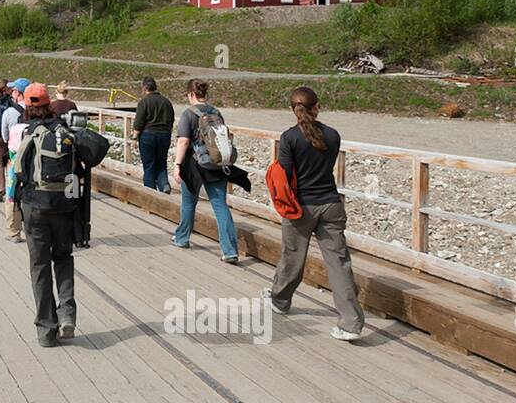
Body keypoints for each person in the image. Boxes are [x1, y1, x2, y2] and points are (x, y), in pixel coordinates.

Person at [263, 87, 365, 342]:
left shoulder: (289, 138)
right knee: (339, 263)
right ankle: (351, 323)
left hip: (301, 207)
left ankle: (280, 299)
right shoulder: (333, 135)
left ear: (292, 110)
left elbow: (284, 173)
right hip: (331, 204)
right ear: (317, 107)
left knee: (293, 256)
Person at [13, 83, 78, 347]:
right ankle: (67, 314)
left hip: (35, 207)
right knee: (63, 258)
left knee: (40, 267)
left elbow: (18, 171)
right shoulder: (64, 130)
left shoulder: (27, 132)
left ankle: (46, 330)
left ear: (28, 106)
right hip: (64, 206)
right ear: (49, 103)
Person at [172, 79, 249, 263]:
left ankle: (182, 238)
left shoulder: (188, 114)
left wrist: (176, 165)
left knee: (189, 203)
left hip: (194, 166)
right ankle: (230, 251)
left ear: (191, 94)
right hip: (217, 164)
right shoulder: (216, 112)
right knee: (220, 206)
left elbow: (183, 141)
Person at [133, 76, 175, 193]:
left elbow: (139, 122)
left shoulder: (144, 102)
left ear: (145, 88)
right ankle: (164, 185)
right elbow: (171, 120)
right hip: (164, 135)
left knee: (149, 165)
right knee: (162, 163)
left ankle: (150, 192)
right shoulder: (166, 102)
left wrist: (134, 138)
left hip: (148, 135)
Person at [2, 90, 30, 243]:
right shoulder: (36, 130)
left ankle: (14, 232)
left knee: (12, 195)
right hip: (32, 167)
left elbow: (5, 138)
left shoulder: (15, 128)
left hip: (15, 165)